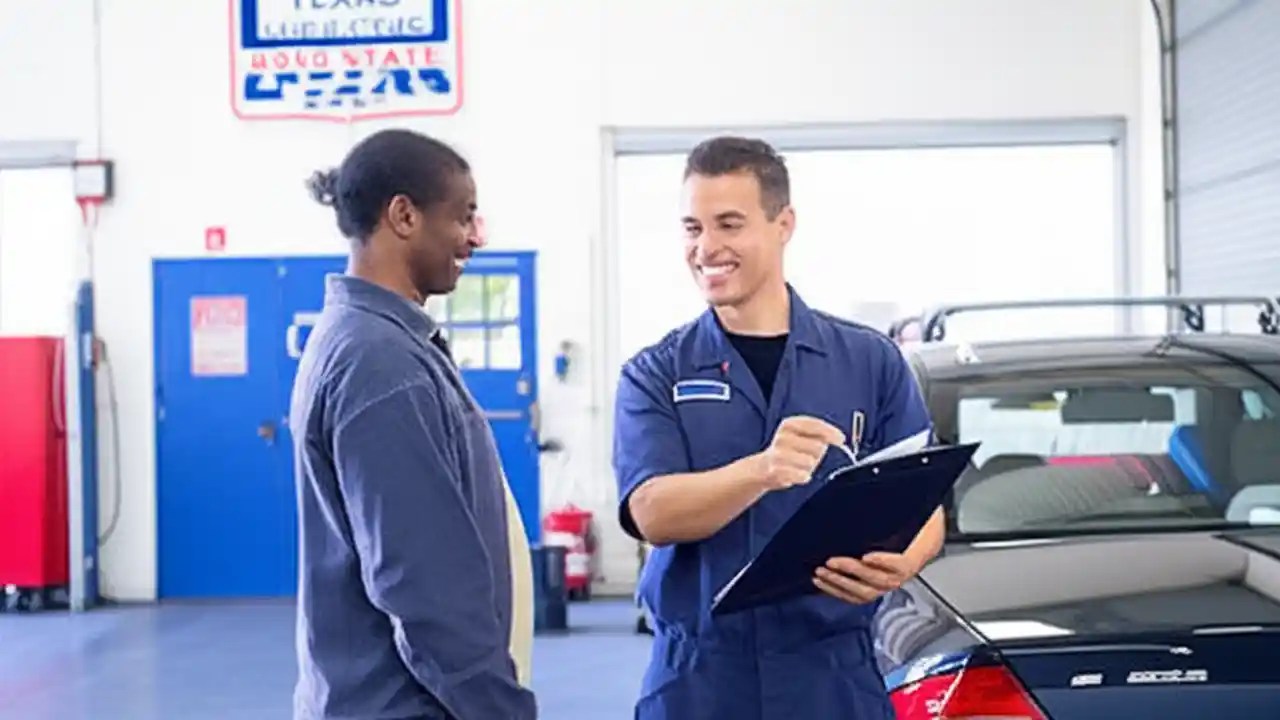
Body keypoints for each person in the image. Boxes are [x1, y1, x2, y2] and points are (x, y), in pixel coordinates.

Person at [612, 135, 944, 719]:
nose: (706, 247)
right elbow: (653, 513)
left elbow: (925, 506)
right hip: (700, 680)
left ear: (783, 223)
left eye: (729, 224)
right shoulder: (655, 372)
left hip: (832, 677)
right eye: (693, 228)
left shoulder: (869, 362)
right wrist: (761, 470)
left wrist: (905, 561)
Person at [290, 128, 537, 720]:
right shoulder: (379, 361)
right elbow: (424, 589)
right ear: (403, 215)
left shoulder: (377, 342)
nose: (475, 238)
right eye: (463, 217)